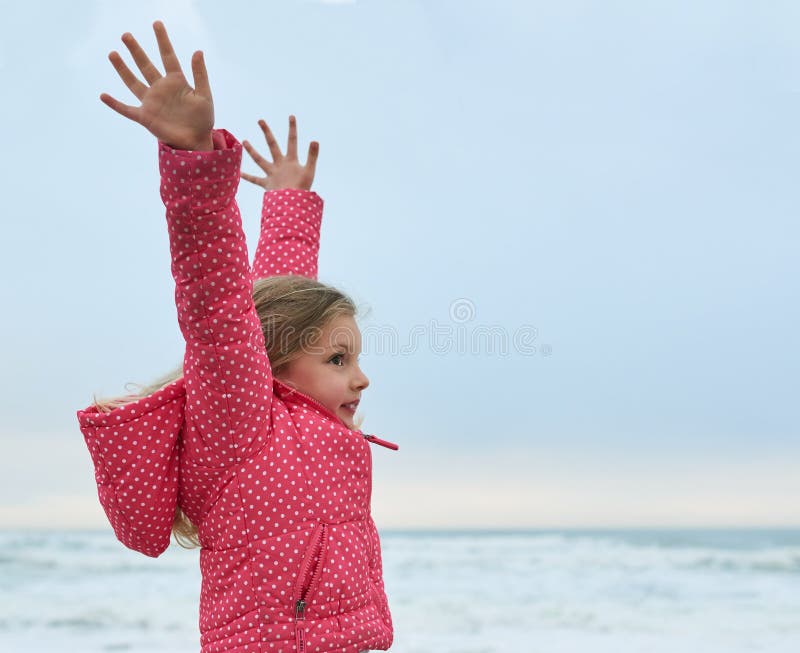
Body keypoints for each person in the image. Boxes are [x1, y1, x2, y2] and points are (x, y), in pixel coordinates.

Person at [77, 21, 397, 653]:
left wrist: (288, 205)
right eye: (338, 358)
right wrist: (195, 160)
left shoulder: (307, 423)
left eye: (355, 357)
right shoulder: (239, 421)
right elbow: (220, 304)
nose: (360, 378)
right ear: (272, 361)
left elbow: (275, 297)